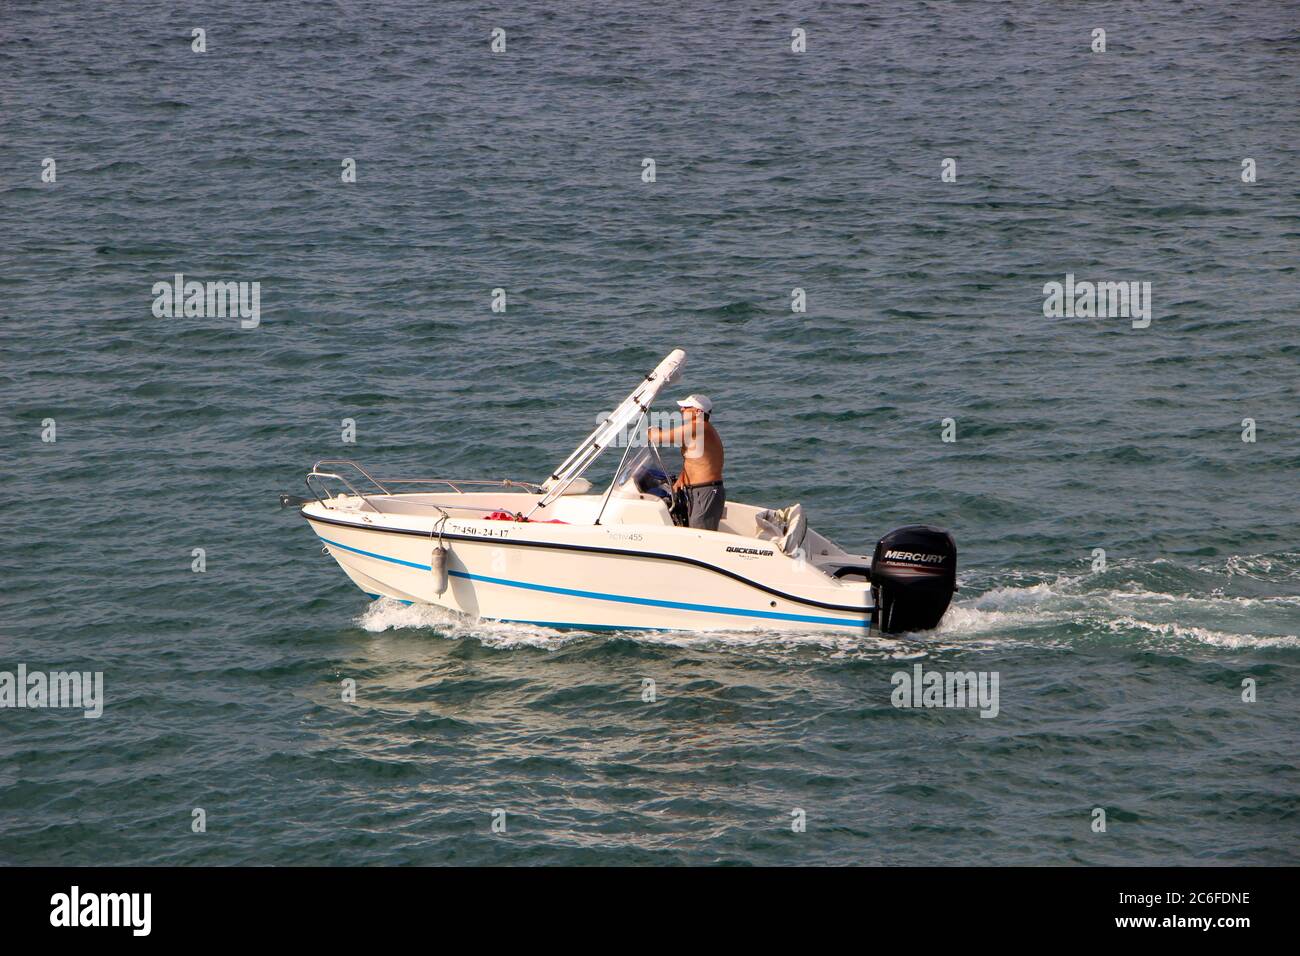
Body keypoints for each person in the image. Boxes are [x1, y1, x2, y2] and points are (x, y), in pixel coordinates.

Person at [647, 394, 725, 531]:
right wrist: (681, 480)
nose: (682, 409)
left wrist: (649, 429)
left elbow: (658, 437)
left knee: (700, 535)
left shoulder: (699, 427)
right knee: (694, 531)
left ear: (698, 412)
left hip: (705, 491)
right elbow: (694, 460)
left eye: (687, 407)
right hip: (698, 491)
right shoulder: (699, 430)